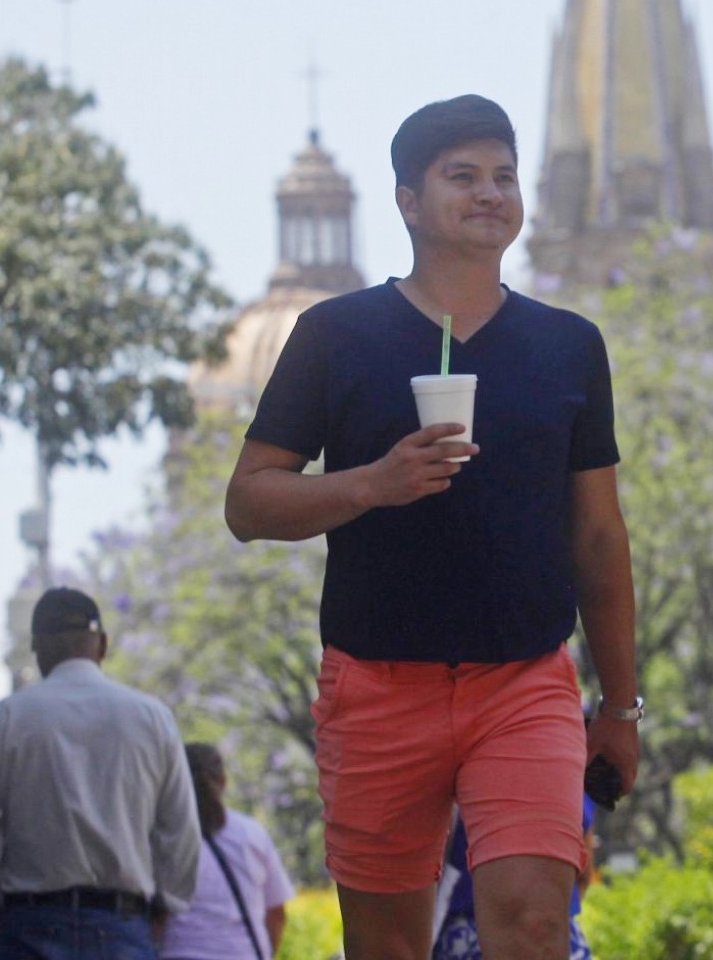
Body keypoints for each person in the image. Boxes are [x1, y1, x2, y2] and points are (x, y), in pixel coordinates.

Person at [224, 93, 640, 960]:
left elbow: (599, 535)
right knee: (387, 948)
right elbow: (250, 501)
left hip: (524, 682)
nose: (490, 193)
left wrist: (622, 706)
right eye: (463, 177)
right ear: (409, 201)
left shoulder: (568, 346)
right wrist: (374, 482)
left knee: (533, 922)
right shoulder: (336, 335)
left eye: (504, 176)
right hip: (376, 685)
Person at [0, 587, 200, 960]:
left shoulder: (7, 718)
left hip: (26, 925)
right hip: (122, 925)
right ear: (102, 644)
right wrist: (165, 905)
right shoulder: (152, 719)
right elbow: (181, 829)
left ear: (37, 648)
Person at [159, 744, 296, 960]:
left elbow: (156, 918)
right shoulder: (251, 834)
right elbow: (276, 914)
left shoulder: (164, 834)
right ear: (223, 781)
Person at [432, 794, 596, 960]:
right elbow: (583, 875)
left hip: (469, 933)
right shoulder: (571, 788)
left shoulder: (462, 784)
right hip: (555, 934)